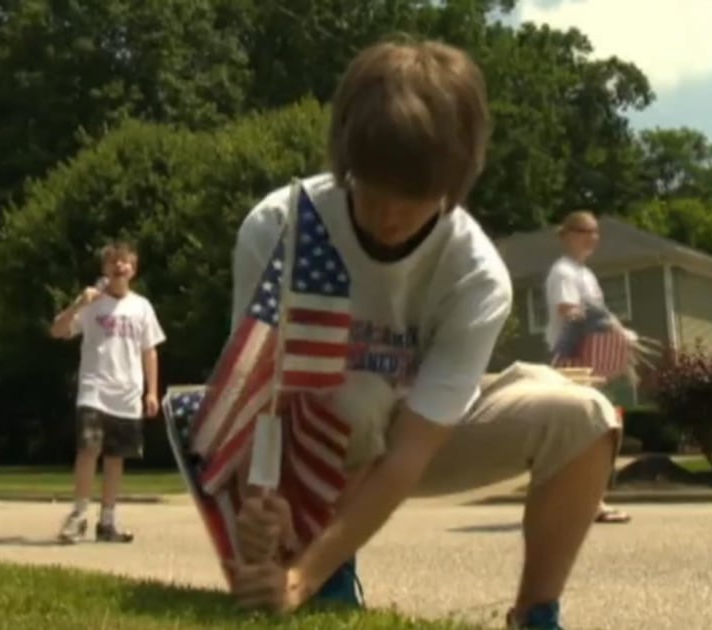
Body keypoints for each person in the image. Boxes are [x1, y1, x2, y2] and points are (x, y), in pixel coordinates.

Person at [223, 39, 623, 630]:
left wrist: (297, 579)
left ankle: (537, 613)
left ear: (455, 183)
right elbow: (252, 398)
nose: (389, 217)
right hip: (316, 441)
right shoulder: (279, 227)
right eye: (374, 189)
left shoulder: (475, 274)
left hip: (413, 436)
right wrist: (256, 505)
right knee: (357, 396)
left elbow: (411, 450)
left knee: (585, 417)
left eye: (413, 199)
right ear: (346, 159)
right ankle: (331, 573)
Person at [49, 241, 166, 544]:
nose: (119, 266)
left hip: (127, 395)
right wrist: (78, 304)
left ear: (133, 268)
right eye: (113, 262)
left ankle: (108, 521)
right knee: (89, 450)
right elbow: (57, 331)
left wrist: (152, 392)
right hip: (95, 389)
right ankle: (78, 517)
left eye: (125, 262)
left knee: (116, 458)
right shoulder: (92, 304)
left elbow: (149, 351)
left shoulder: (142, 307)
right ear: (104, 269)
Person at [543, 210, 633, 525]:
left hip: (588, 360)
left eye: (596, 232)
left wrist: (616, 329)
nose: (592, 237)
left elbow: (597, 312)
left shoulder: (586, 274)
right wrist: (606, 324)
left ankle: (582, 500)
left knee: (590, 431)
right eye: (585, 231)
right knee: (589, 431)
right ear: (567, 234)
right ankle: (589, 502)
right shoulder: (563, 272)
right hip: (572, 359)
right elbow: (569, 311)